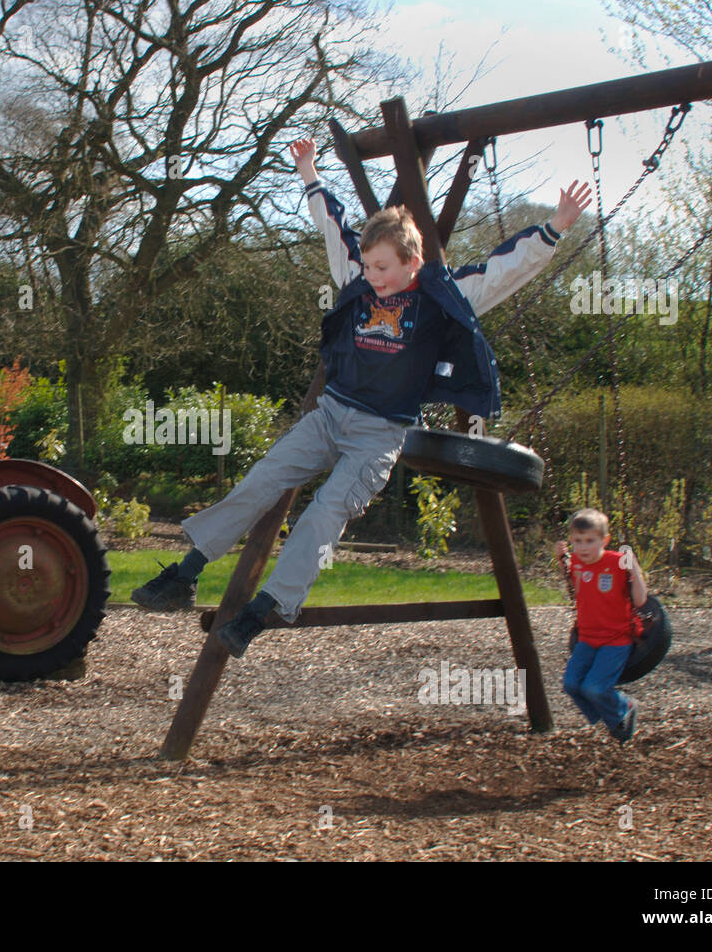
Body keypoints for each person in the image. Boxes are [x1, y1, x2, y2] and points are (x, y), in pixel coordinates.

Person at [132, 135, 592, 658]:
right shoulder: (358, 278)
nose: (373, 278)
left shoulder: (443, 294)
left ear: (413, 262)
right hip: (329, 417)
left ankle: (263, 610)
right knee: (263, 479)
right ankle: (186, 574)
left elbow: (502, 270)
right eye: (369, 267)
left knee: (323, 515)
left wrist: (554, 228)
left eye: (384, 269)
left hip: (378, 435)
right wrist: (309, 172)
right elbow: (333, 228)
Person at [556, 508, 648, 743]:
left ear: (604, 540)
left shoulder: (618, 562)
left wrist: (634, 567)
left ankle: (624, 708)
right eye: (578, 541)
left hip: (616, 639)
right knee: (571, 684)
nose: (583, 547)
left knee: (594, 689)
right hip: (587, 637)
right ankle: (614, 717)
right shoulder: (575, 560)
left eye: (590, 541)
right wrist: (561, 559)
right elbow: (575, 584)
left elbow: (639, 600)